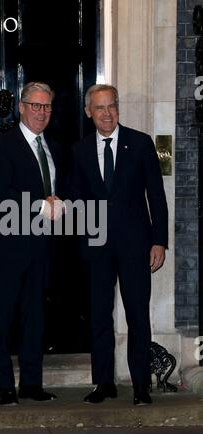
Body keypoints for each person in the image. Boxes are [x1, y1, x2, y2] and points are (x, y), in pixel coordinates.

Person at [68, 84, 168, 405]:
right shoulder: (80, 150)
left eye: (111, 106)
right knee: (99, 315)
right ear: (89, 113)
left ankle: (141, 385)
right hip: (96, 247)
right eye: (100, 108)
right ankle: (103, 383)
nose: (107, 113)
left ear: (118, 108)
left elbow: (156, 196)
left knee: (138, 314)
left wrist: (159, 241)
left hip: (136, 245)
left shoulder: (140, 144)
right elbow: (76, 200)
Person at [0, 82, 63, 405]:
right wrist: (42, 205)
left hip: (42, 247)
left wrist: (62, 205)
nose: (41, 113)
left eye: (46, 107)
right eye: (35, 106)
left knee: (36, 316)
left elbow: (60, 191)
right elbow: (2, 195)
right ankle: (5, 386)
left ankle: (31, 383)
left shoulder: (53, 148)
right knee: (4, 316)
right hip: (8, 247)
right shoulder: (3, 146)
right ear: (21, 107)